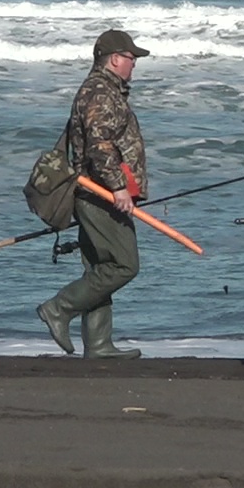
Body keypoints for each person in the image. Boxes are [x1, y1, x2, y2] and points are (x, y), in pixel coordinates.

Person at [37, 29, 149, 360]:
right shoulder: (101, 93)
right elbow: (100, 147)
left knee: (100, 266)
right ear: (115, 59)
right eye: (131, 59)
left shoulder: (105, 91)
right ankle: (59, 307)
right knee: (123, 265)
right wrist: (118, 188)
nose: (134, 65)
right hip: (99, 194)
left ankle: (99, 344)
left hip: (98, 193)